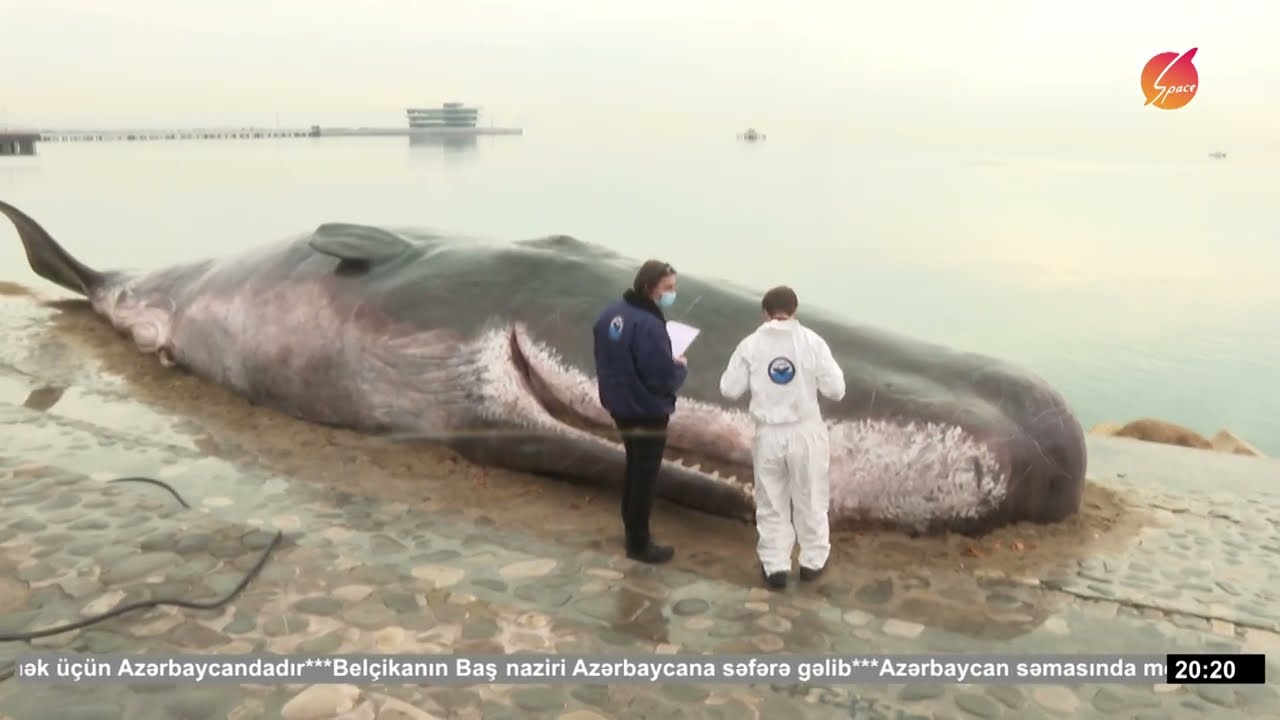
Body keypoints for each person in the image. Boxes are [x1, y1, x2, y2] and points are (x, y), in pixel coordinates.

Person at [718, 285, 846, 590]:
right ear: (795, 310)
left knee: (771, 501)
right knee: (811, 497)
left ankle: (775, 566)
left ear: (765, 313)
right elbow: (836, 390)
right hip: (806, 432)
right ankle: (812, 562)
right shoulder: (813, 342)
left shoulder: (749, 345)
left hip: (768, 434)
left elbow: (729, 389)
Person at [592, 260, 689, 564]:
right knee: (644, 476)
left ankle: (631, 529)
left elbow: (606, 353)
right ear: (649, 288)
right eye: (667, 288)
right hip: (646, 411)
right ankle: (639, 543)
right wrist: (679, 366)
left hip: (619, 405)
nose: (672, 293)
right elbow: (662, 378)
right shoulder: (649, 325)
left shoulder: (612, 312)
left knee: (634, 467)